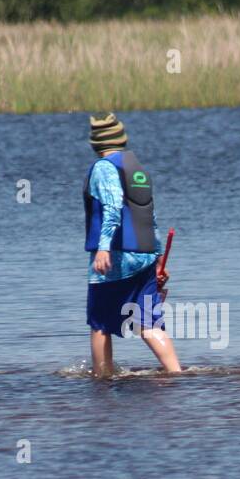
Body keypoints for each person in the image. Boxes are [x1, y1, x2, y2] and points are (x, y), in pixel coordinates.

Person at [82, 113, 182, 378]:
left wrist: (103, 248)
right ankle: (177, 374)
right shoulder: (136, 168)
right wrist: (159, 257)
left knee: (100, 322)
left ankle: (101, 379)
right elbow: (149, 214)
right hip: (145, 256)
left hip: (115, 259)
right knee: (149, 323)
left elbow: (113, 208)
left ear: (95, 142)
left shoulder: (104, 168)